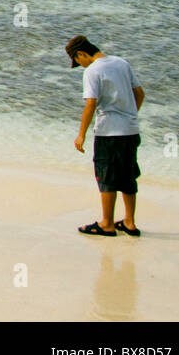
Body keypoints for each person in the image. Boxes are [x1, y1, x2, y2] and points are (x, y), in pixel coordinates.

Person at [67, 35, 145, 237]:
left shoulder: (93, 70)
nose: (81, 65)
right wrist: (130, 115)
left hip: (108, 132)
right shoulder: (121, 63)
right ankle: (129, 222)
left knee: (106, 177)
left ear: (82, 54)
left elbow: (91, 104)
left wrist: (81, 135)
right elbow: (140, 93)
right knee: (128, 177)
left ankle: (107, 224)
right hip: (130, 130)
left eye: (78, 61)